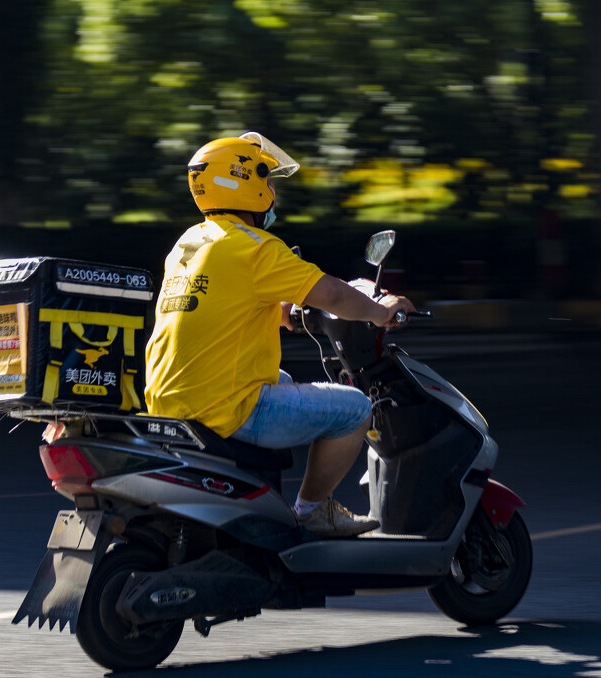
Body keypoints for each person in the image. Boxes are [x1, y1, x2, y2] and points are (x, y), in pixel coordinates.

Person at [144, 132, 415, 537]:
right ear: (243, 182)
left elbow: (217, 308)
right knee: (355, 408)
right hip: (226, 408)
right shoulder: (255, 248)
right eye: (267, 179)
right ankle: (311, 510)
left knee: (282, 379)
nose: (272, 191)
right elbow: (335, 294)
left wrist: (279, 312)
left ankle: (261, 500)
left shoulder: (189, 243)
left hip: (171, 400)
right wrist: (380, 312)